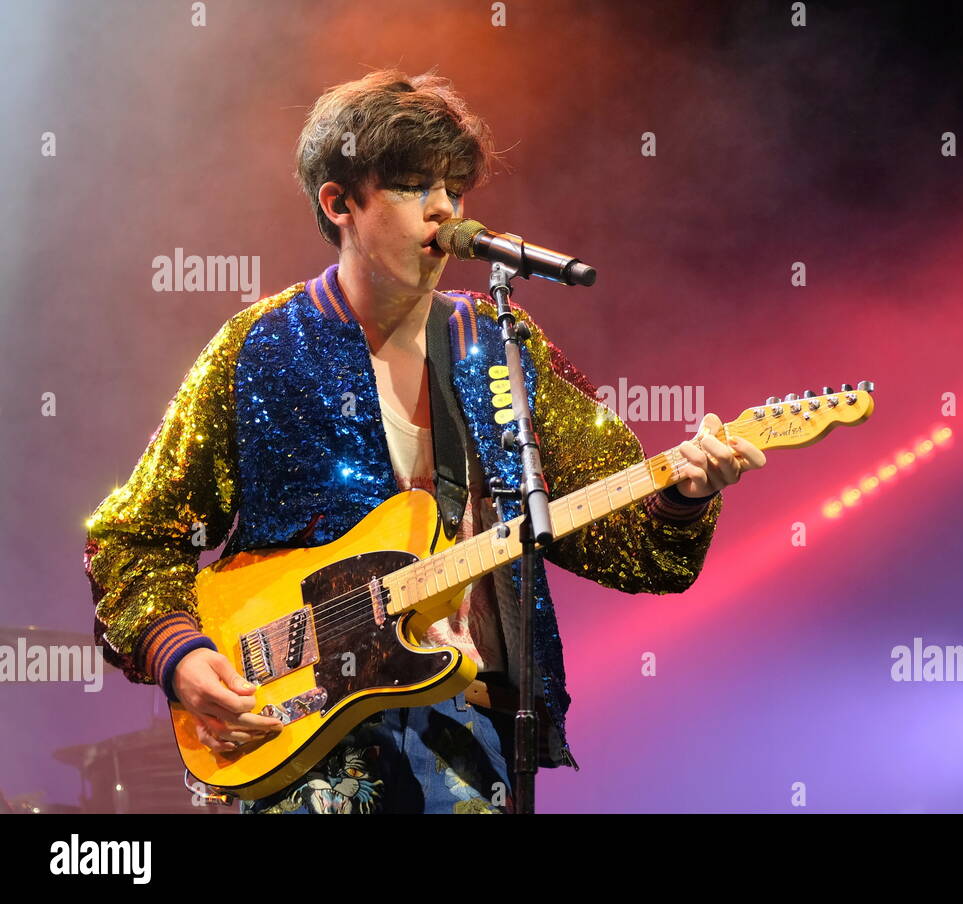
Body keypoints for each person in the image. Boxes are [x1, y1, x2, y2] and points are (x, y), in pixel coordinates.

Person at [83, 69, 766, 814]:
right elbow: (131, 538)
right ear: (340, 202)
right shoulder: (261, 348)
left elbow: (623, 542)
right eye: (412, 185)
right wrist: (183, 656)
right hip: (303, 742)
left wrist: (684, 493)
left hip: (469, 734)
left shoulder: (495, 344)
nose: (443, 210)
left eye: (455, 189)